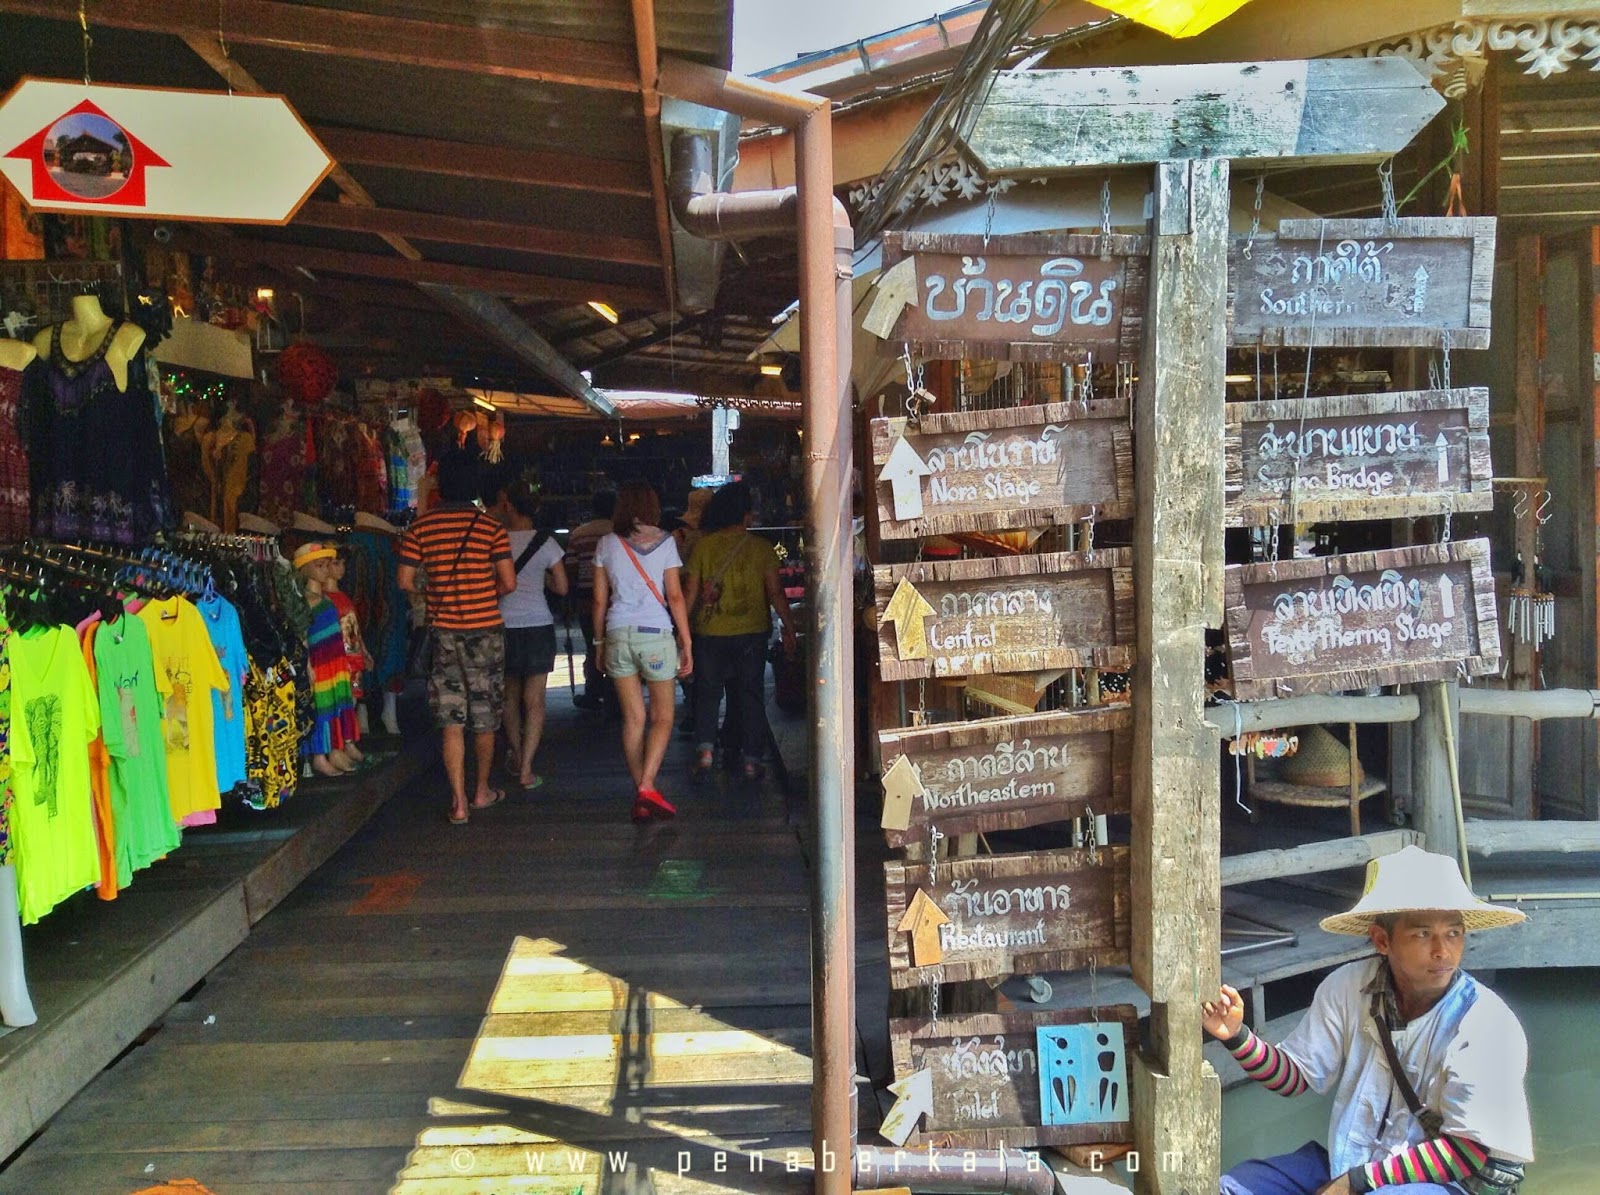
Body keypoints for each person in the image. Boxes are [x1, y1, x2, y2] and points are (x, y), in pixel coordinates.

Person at [1205, 845, 1533, 1195]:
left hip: (1447, 1182)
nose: (1443, 951)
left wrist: (1354, 1183)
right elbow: (1293, 1078)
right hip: (1356, 1161)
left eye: (1453, 933)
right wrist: (1237, 1036)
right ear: (1382, 940)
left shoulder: (1487, 1023)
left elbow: (1465, 1153)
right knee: (1236, 1187)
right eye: (1422, 934)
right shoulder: (1347, 986)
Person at [396, 446, 516, 826]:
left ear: (441, 485)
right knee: (485, 717)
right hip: (485, 634)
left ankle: (459, 802)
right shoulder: (490, 528)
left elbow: (404, 580)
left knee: (451, 719)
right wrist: (482, 594)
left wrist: (431, 596)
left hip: (443, 635)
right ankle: (481, 791)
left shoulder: (421, 528)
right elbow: (509, 582)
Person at [592, 482, 693, 822]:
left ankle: (641, 795)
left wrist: (598, 643)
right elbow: (675, 596)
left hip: (617, 634)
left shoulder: (606, 543)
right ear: (652, 506)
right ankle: (647, 786)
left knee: (633, 718)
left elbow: (599, 601)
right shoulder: (666, 542)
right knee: (663, 717)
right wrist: (686, 641)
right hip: (655, 635)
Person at [682, 481, 796, 780]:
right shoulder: (761, 548)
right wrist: (789, 626)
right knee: (750, 694)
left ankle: (705, 751)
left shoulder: (703, 547)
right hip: (751, 633)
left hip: (709, 633)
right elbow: (776, 593)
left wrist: (681, 630)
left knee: (707, 693)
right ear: (745, 514)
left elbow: (690, 593)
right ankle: (751, 759)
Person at [494, 478, 568, 791]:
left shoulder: (496, 541)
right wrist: (541, 581)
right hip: (538, 625)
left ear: (508, 506)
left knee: (509, 697)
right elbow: (562, 587)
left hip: (504, 625)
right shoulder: (546, 543)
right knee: (534, 701)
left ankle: (515, 752)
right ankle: (526, 769)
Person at [565, 491, 616, 712]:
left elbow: (571, 569)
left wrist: (569, 600)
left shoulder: (579, 534)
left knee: (593, 646)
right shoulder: (620, 532)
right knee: (616, 648)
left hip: (586, 599)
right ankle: (615, 695)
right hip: (616, 599)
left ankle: (593, 692)